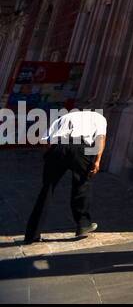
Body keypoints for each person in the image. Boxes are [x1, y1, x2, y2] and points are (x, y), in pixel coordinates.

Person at [24, 103, 108, 244]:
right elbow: (100, 138)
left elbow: (45, 141)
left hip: (58, 147)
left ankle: (32, 234)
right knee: (82, 184)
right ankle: (83, 224)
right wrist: (98, 160)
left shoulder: (62, 118)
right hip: (81, 148)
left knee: (47, 190)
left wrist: (49, 157)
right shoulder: (99, 117)